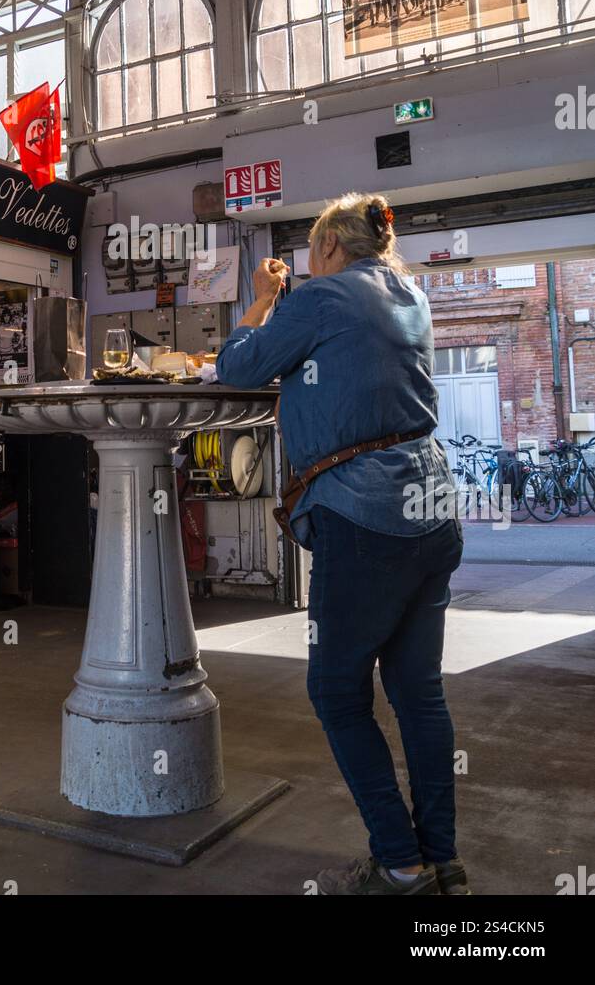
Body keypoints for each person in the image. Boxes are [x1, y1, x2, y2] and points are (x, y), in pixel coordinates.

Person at [215, 191, 467, 897]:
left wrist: (263, 299)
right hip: (429, 509)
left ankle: (397, 862)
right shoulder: (409, 293)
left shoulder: (320, 296)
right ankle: (440, 861)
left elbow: (235, 367)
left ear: (327, 247)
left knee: (335, 690)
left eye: (308, 251)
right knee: (418, 693)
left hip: (363, 517)